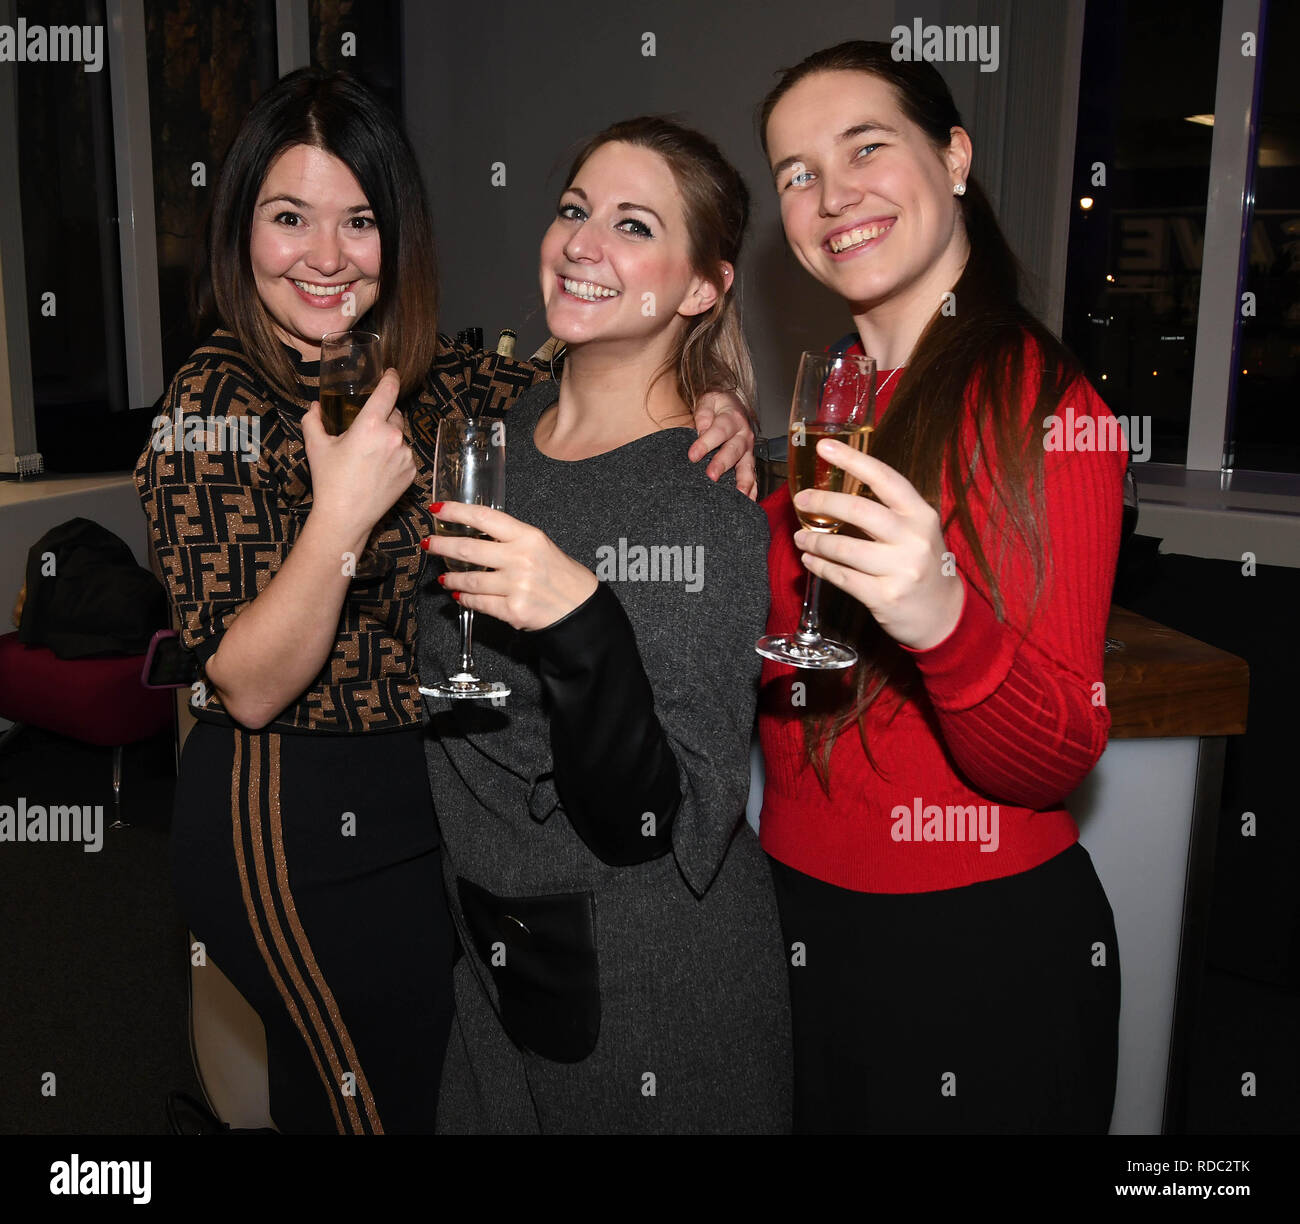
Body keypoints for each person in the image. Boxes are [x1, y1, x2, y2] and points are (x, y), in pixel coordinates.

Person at [134, 69, 756, 1134]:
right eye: (290, 218)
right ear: (241, 228)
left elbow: (589, 399)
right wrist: (338, 517)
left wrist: (714, 394)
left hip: (415, 812)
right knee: (366, 1105)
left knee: (400, 1089)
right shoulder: (214, 402)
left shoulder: (431, 379)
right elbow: (244, 685)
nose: (326, 257)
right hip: (290, 819)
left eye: (359, 221)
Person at [755, 41, 1123, 1133]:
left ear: (954, 156)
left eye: (866, 148)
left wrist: (943, 622)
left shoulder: (1045, 406)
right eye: (795, 173)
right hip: (797, 918)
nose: (830, 196)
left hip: (965, 952)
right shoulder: (836, 401)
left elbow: (1058, 749)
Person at [419, 116, 791, 1134]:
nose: (583, 244)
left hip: (648, 990)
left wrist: (580, 617)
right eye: (574, 210)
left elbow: (657, 822)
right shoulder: (490, 443)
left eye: (633, 225)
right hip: (492, 956)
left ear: (702, 286)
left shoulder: (701, 498)